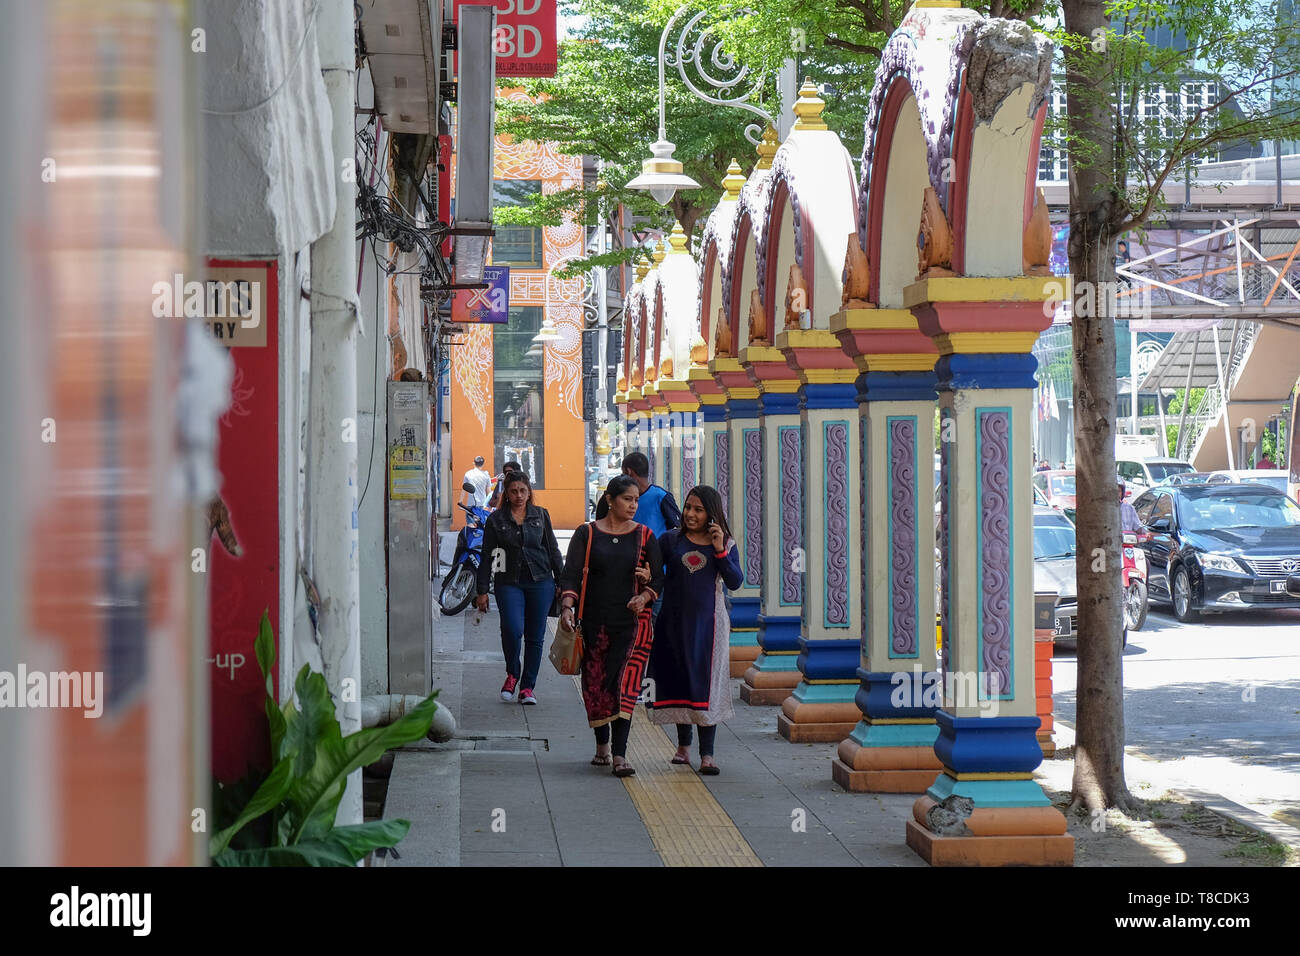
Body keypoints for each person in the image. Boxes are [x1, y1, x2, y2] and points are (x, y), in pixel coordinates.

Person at [559, 475, 664, 777]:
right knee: (596, 686)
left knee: (625, 686)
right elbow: (571, 574)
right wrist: (568, 606)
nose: (633, 505)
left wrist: (645, 594)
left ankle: (620, 755)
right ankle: (601, 744)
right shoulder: (587, 534)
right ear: (609, 500)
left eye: (635, 500)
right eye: (627, 499)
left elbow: (659, 578)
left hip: (633, 626)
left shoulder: (645, 536)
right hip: (594, 624)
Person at [646, 485, 743, 775]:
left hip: (710, 624)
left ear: (711, 513)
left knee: (707, 683)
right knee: (680, 678)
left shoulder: (725, 542)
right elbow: (654, 574)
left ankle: (708, 754)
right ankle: (683, 747)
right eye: (688, 507)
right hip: (674, 621)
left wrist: (720, 551)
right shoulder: (670, 540)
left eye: (698, 509)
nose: (690, 514)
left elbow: (735, 581)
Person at [475, 471, 564, 706]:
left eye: (523, 490)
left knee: (535, 637)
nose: (519, 495)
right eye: (513, 491)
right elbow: (488, 556)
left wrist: (564, 584)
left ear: (529, 492)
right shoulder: (496, 520)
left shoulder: (540, 516)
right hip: (509, 582)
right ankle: (513, 673)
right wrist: (482, 590)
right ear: (506, 493)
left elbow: (553, 550)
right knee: (512, 629)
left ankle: (527, 688)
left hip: (541, 582)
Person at [620, 451, 681, 538]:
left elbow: (677, 527)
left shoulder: (661, 496)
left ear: (628, 471)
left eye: (623, 473)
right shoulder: (660, 496)